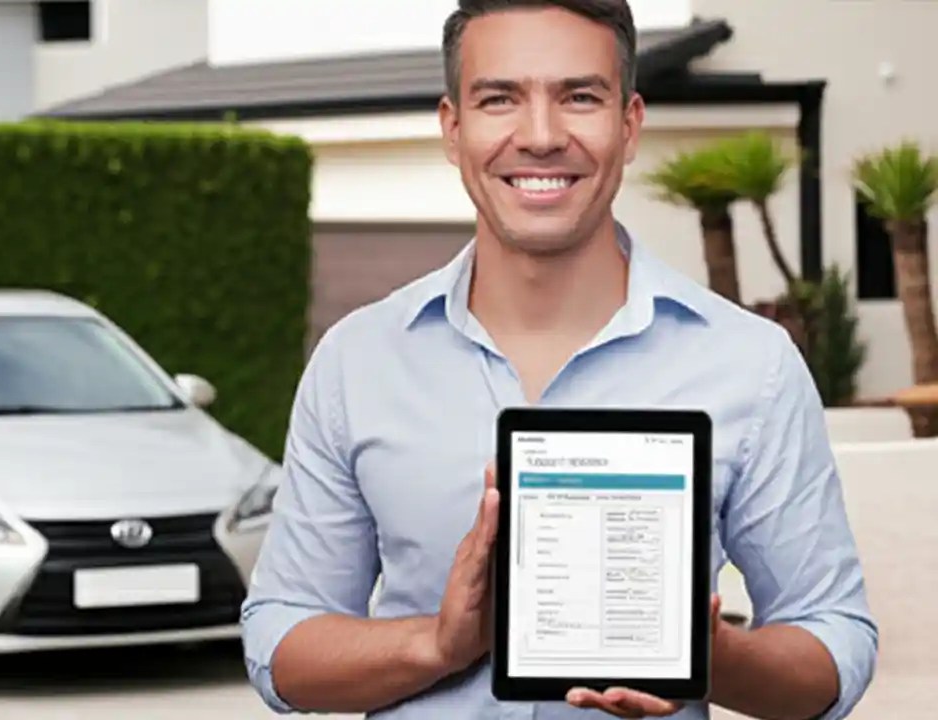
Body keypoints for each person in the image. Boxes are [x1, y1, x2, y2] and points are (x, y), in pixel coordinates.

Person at [240, 0, 879, 717]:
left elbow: (835, 642)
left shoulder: (751, 365)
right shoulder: (356, 362)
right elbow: (280, 636)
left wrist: (710, 658)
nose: (541, 137)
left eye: (579, 97)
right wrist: (437, 644)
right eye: (500, 98)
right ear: (454, 128)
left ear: (629, 124)